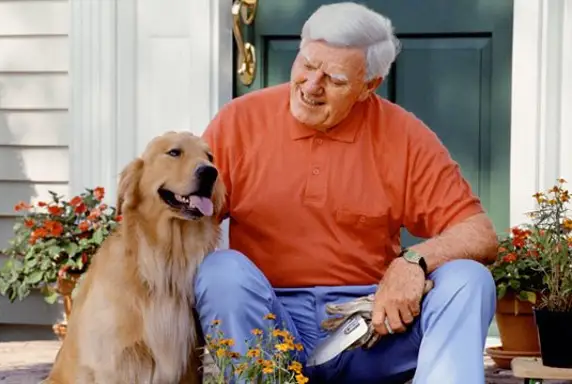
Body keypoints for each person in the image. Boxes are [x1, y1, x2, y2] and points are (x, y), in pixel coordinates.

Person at [196, 2, 498, 383]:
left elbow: (478, 232)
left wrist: (413, 262)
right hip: (268, 327)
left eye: (335, 80)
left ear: (368, 86)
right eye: (306, 64)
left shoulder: (403, 135)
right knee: (220, 270)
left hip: (372, 327)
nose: (310, 87)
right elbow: (185, 215)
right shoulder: (240, 121)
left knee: (469, 280)